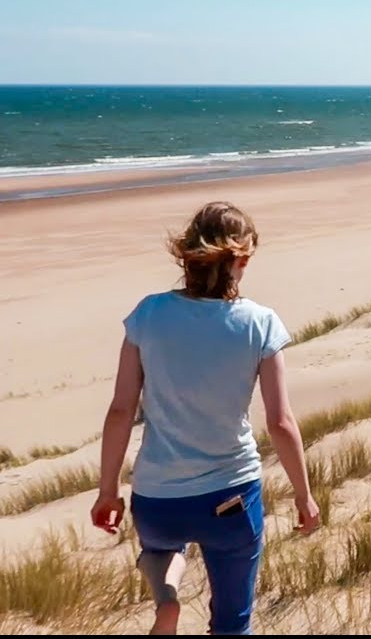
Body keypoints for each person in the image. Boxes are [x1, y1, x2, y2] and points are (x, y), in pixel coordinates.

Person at [91, 201, 320, 636]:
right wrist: (304, 495)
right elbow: (280, 422)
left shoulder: (149, 314)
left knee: (159, 551)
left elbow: (121, 411)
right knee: (232, 623)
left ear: (188, 254)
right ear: (241, 260)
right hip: (231, 497)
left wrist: (108, 491)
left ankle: (167, 600)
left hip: (159, 495)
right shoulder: (260, 323)